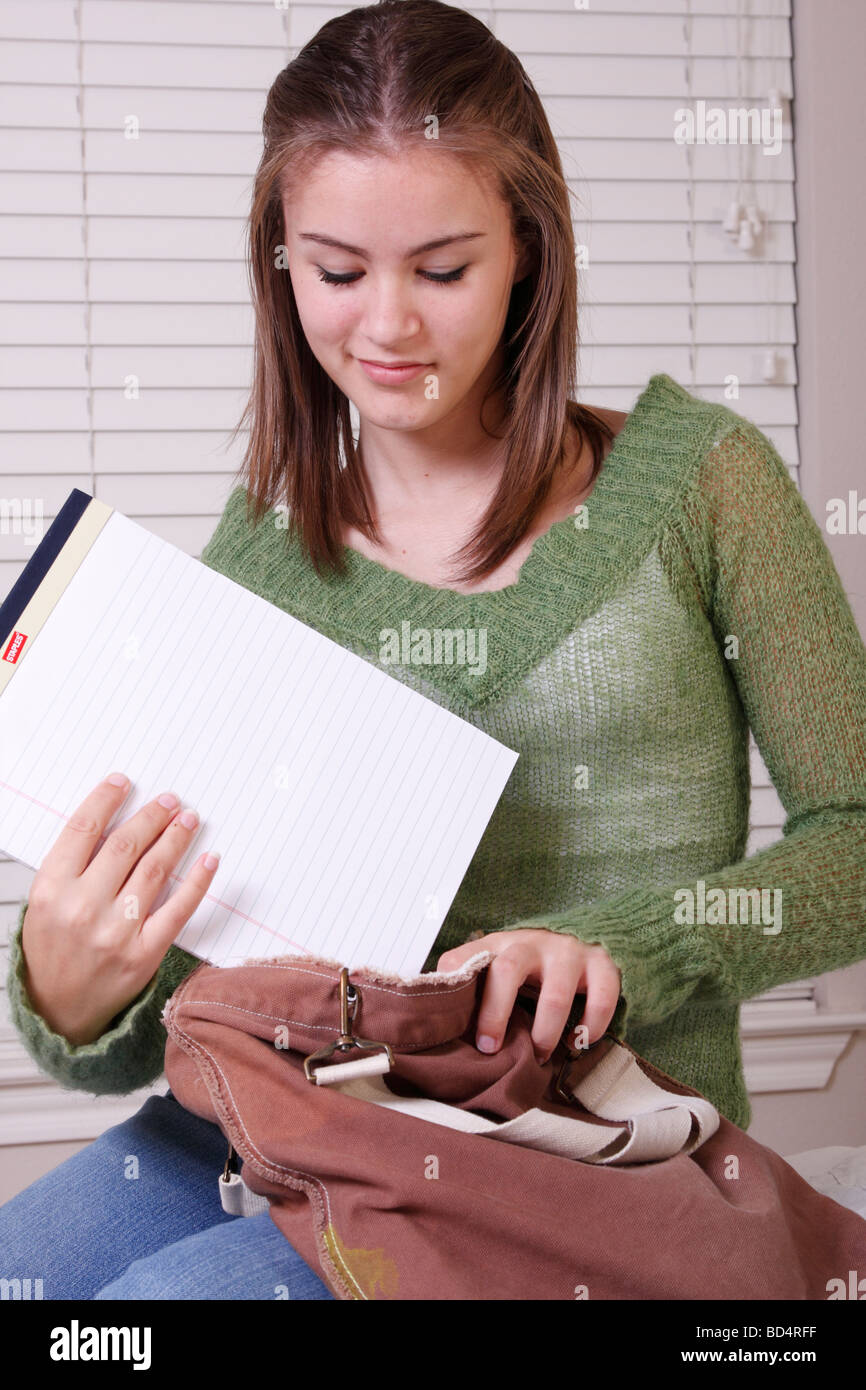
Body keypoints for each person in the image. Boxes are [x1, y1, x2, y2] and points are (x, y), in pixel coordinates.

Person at [3, 0, 865, 1301]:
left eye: (443, 268)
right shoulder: (266, 546)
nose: (387, 325)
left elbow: (855, 835)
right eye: (338, 271)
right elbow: (205, 967)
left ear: (528, 248)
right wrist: (76, 987)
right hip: (293, 1118)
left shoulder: (701, 484)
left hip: (568, 1138)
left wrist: (618, 950)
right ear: (279, 258)